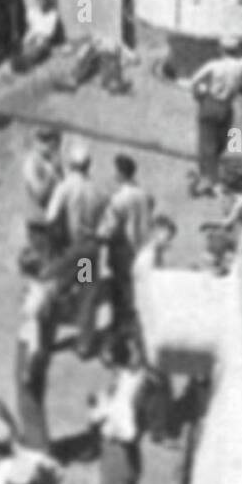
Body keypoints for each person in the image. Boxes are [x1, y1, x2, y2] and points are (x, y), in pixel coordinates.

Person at [45, 140, 109, 357]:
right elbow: (105, 223)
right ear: (89, 164)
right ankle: (83, 343)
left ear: (70, 164)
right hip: (88, 251)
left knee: (55, 290)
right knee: (86, 294)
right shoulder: (97, 191)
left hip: (70, 250)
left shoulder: (65, 188)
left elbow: (51, 217)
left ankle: (45, 338)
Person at [97, 154, 154, 361]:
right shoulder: (144, 194)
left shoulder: (119, 199)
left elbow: (109, 229)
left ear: (121, 173)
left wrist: (99, 235)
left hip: (125, 252)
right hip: (144, 249)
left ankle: (124, 334)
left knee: (122, 294)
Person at [187, 38, 242, 197]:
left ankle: (212, 181)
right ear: (236, 50)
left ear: (221, 49)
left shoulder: (214, 66)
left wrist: (199, 95)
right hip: (227, 106)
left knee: (207, 145)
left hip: (210, 104)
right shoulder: (240, 65)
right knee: (226, 140)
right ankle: (212, 175)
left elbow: (193, 81)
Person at [88, 341, 150, 484]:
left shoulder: (138, 385)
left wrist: (102, 415)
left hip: (119, 451)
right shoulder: (128, 376)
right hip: (120, 453)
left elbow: (128, 430)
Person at [14, 251, 57, 451]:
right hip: (42, 348)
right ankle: (40, 443)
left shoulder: (34, 301)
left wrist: (28, 370)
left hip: (31, 350)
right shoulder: (44, 289)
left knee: (28, 401)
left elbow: (34, 338)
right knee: (34, 398)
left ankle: (37, 447)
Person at [22, 125, 63, 261]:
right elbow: (39, 195)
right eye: (56, 142)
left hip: (54, 224)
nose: (58, 147)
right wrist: (51, 173)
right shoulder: (31, 163)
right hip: (39, 226)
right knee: (45, 270)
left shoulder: (52, 160)